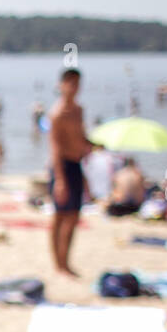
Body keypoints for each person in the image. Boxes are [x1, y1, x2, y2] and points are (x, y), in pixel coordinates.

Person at [47, 68, 98, 276]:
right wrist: (59, 179)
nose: (74, 88)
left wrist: (92, 145)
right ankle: (59, 263)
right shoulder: (57, 113)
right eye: (70, 83)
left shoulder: (78, 110)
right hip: (62, 166)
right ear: (62, 85)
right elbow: (55, 148)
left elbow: (81, 138)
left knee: (74, 216)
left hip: (76, 164)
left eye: (77, 84)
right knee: (60, 216)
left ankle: (65, 260)